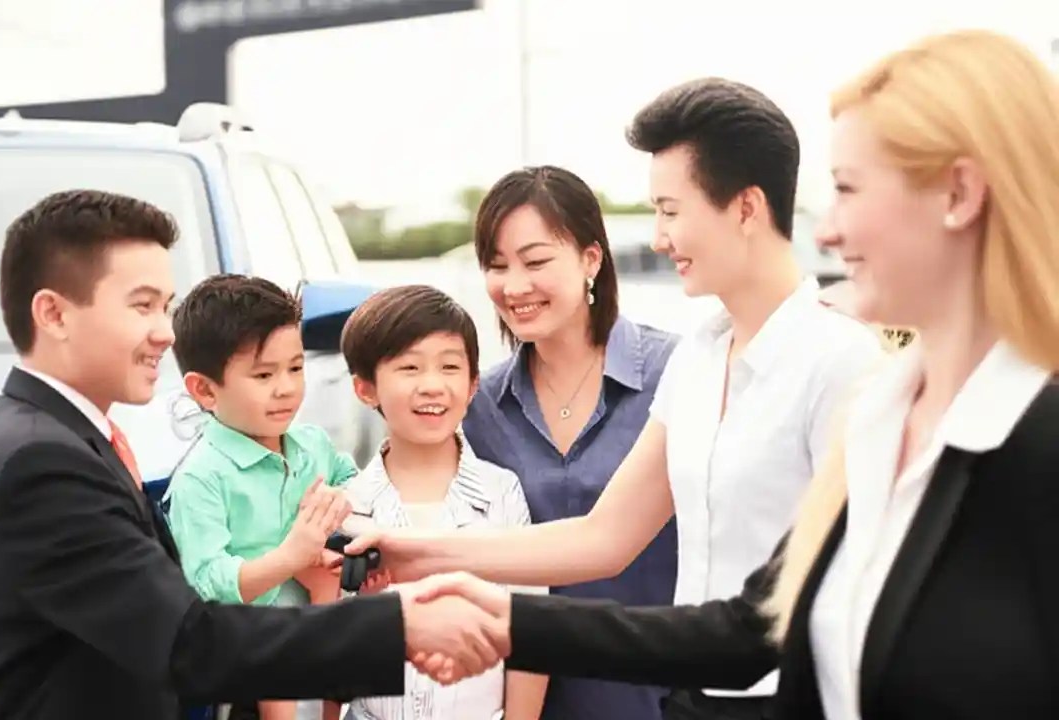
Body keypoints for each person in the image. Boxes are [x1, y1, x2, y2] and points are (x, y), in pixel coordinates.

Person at [402, 27, 1059, 720]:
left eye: (848, 190)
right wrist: (455, 578)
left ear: (959, 194)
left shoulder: (873, 380)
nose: (826, 232)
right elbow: (746, 624)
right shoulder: (878, 410)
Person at [355, 83, 887, 719]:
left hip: (796, 698)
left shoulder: (841, 362)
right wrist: (415, 549)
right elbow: (603, 537)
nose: (659, 238)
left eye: (670, 210)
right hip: (692, 699)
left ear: (745, 207)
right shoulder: (697, 360)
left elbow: (871, 586)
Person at [0, 189, 507, 720]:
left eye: (165, 307)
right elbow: (189, 641)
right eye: (141, 307)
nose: (165, 333)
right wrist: (399, 626)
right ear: (54, 314)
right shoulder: (41, 462)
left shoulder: (57, 438)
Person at [458, 165, 680, 720]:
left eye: (535, 261)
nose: (514, 286)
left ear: (591, 260)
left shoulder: (677, 373)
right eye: (496, 265)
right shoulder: (478, 406)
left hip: (662, 696)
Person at [337, 284, 550, 720]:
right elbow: (328, 648)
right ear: (365, 388)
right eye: (409, 368)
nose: (432, 386)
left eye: (449, 367)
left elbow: (530, 630)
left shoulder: (501, 494)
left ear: (473, 384)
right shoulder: (348, 506)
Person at [162, 274, 360, 720]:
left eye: (295, 367)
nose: (286, 387)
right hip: (248, 679)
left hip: (321, 648)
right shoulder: (202, 478)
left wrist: (337, 514)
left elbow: (355, 487)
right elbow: (208, 584)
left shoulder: (311, 444)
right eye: (264, 374)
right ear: (205, 390)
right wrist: (292, 555)